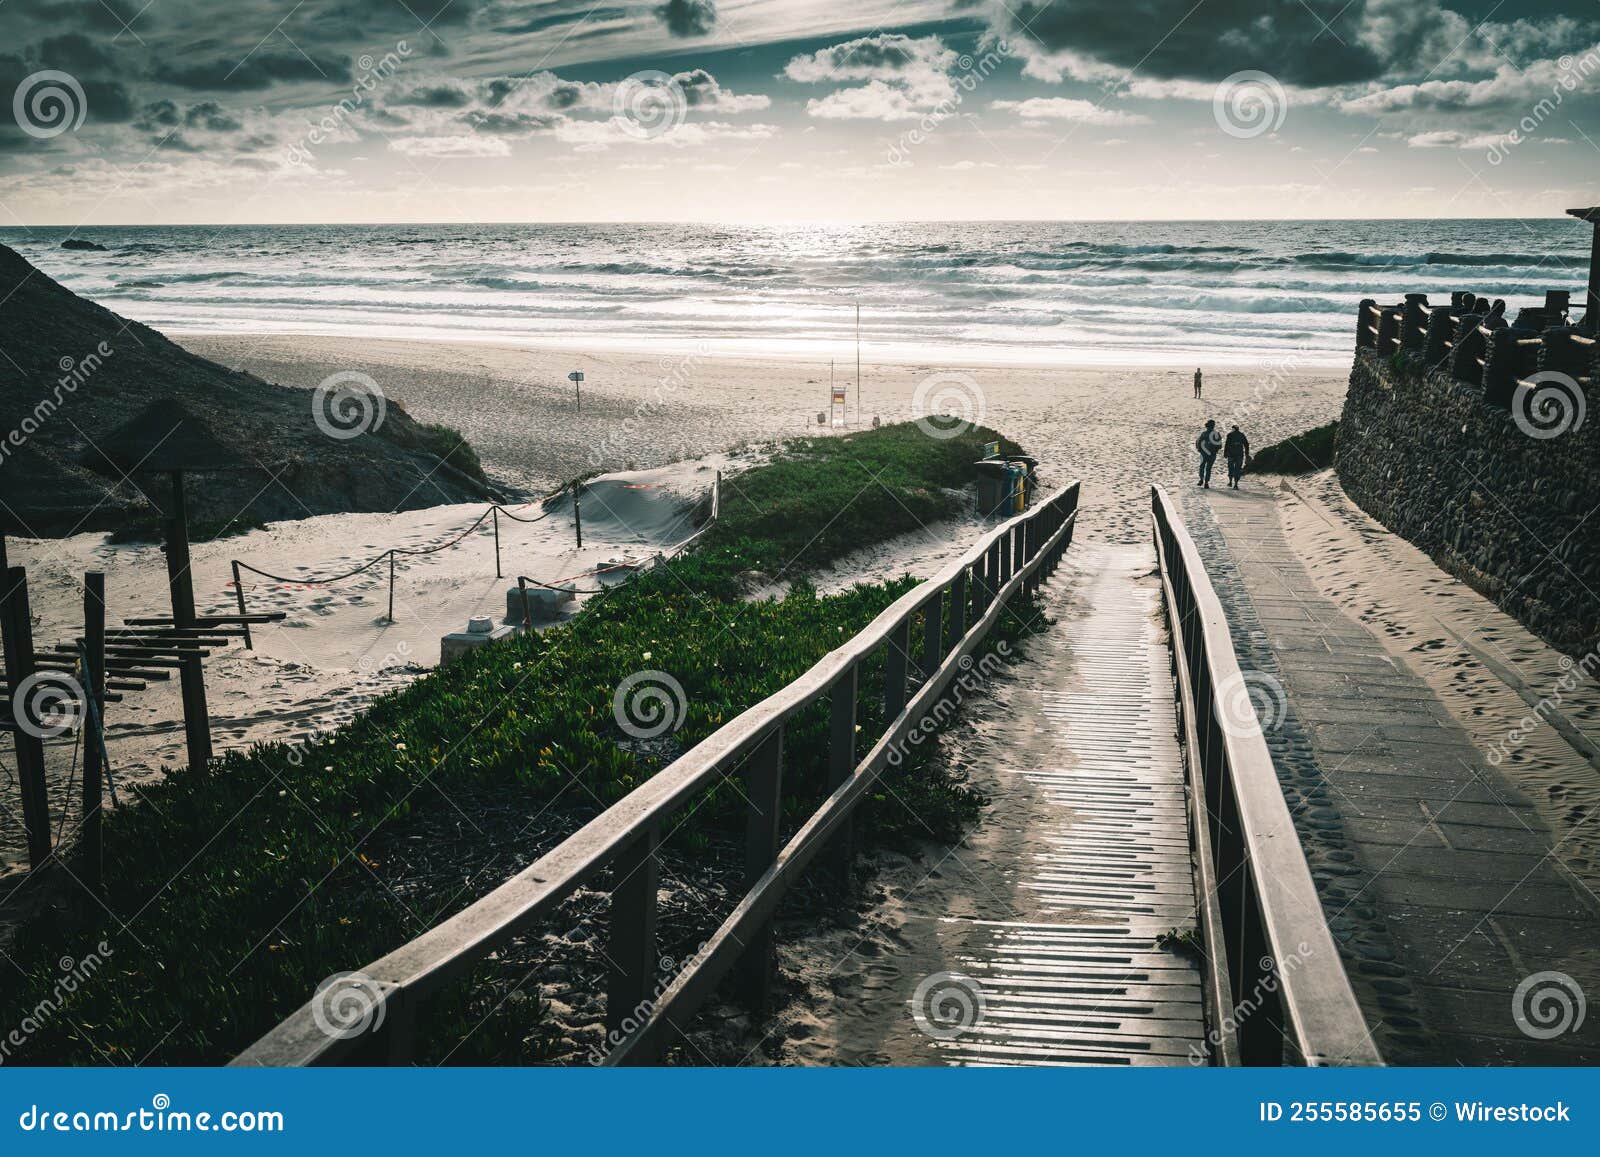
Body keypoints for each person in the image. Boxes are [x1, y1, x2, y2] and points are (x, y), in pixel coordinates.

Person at [1195, 419, 1219, 488]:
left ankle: (1201, 479)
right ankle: (1206, 482)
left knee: (1202, 466)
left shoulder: (1204, 433)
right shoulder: (1216, 434)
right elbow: (1219, 445)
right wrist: (1216, 450)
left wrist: (1199, 449)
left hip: (1204, 453)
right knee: (1208, 468)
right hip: (1212, 454)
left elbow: (1198, 442)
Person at [1224, 424, 1250, 488]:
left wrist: (1225, 453)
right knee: (1237, 469)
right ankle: (1236, 484)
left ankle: (1230, 482)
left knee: (1230, 468)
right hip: (1239, 454)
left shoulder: (1230, 435)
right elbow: (1246, 445)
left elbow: (1226, 445)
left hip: (1231, 454)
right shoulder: (1241, 435)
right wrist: (1247, 454)